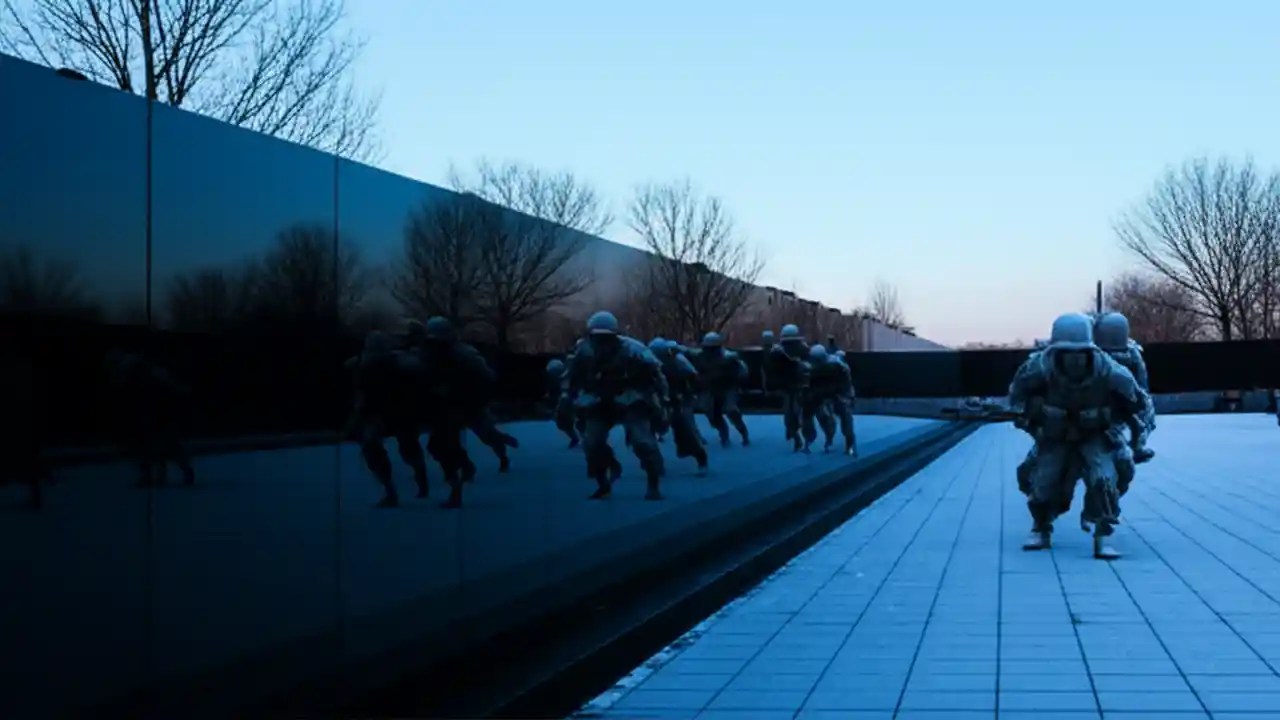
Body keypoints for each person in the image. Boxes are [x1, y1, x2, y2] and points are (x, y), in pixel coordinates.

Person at [1009, 313, 1152, 560]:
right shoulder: (1038, 367)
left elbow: (1140, 404)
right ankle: (1041, 526)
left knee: (1105, 479)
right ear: (1056, 352)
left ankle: (1103, 532)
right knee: (1043, 482)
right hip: (1056, 434)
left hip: (1095, 433)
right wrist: (1034, 417)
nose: (1075, 360)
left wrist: (1136, 436)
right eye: (1067, 353)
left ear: (1090, 351)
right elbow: (1016, 398)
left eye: (1080, 353)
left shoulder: (1111, 370)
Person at [564, 311, 669, 500]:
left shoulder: (634, 349)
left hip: (631, 398)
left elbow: (656, 374)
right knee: (592, 443)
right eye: (597, 337)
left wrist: (660, 399)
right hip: (598, 399)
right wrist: (568, 396)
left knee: (642, 442)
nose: (601, 342)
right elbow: (572, 376)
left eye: (606, 337)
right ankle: (603, 481)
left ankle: (653, 484)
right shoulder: (584, 350)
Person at [651, 338, 709, 474]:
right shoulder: (649, 363)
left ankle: (700, 458)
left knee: (685, 428)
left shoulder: (677, 361)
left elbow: (692, 376)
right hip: (658, 401)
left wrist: (686, 392)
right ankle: (653, 464)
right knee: (647, 434)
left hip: (678, 398)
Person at [691, 331, 750, 447]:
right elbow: (698, 373)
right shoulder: (701, 358)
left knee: (732, 410)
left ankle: (743, 433)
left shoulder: (729, 357)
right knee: (712, 413)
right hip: (711, 389)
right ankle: (724, 433)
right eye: (708, 348)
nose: (710, 351)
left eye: (713, 349)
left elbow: (741, 373)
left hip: (728, 388)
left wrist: (738, 384)